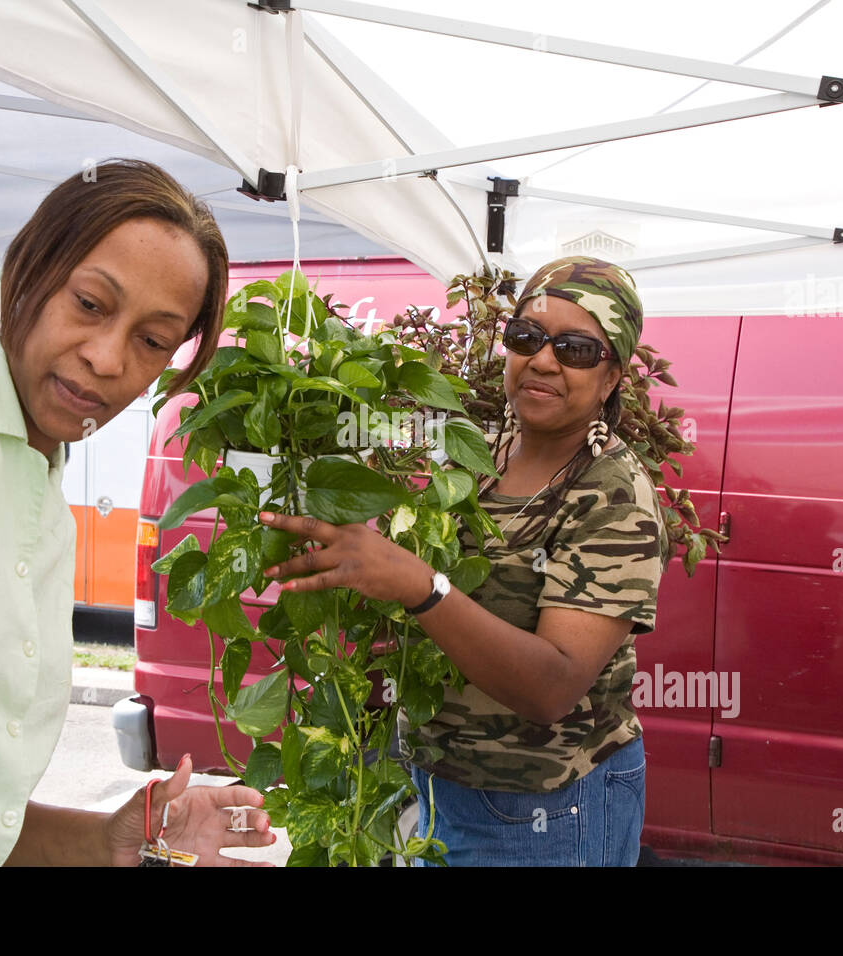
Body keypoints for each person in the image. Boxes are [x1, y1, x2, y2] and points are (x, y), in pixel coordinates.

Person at [0, 158, 273, 866]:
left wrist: (108, 839)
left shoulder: (50, 510)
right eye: (90, 303)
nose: (109, 359)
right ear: (29, 268)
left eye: (151, 341)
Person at [259, 256, 665, 866]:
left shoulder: (613, 496)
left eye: (577, 349)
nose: (544, 360)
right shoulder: (484, 448)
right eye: (527, 337)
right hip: (440, 786)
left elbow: (551, 686)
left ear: (610, 378)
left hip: (549, 812)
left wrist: (417, 587)